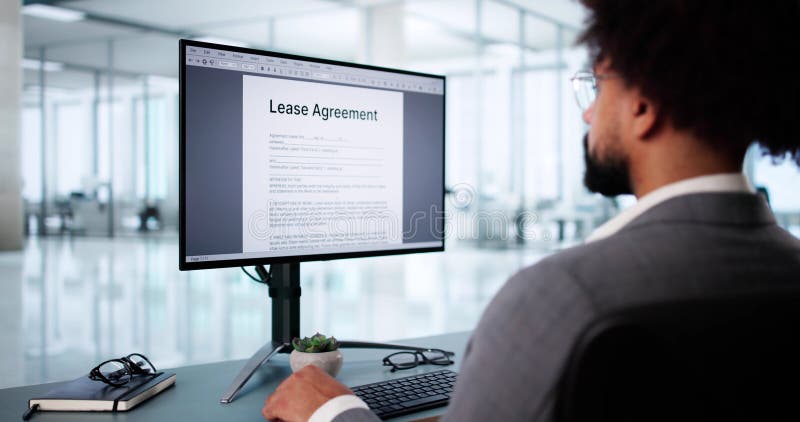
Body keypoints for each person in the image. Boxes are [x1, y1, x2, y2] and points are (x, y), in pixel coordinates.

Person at [262, 1, 800, 420]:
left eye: (599, 84)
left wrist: (333, 411)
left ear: (642, 103)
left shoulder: (561, 297)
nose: (589, 110)